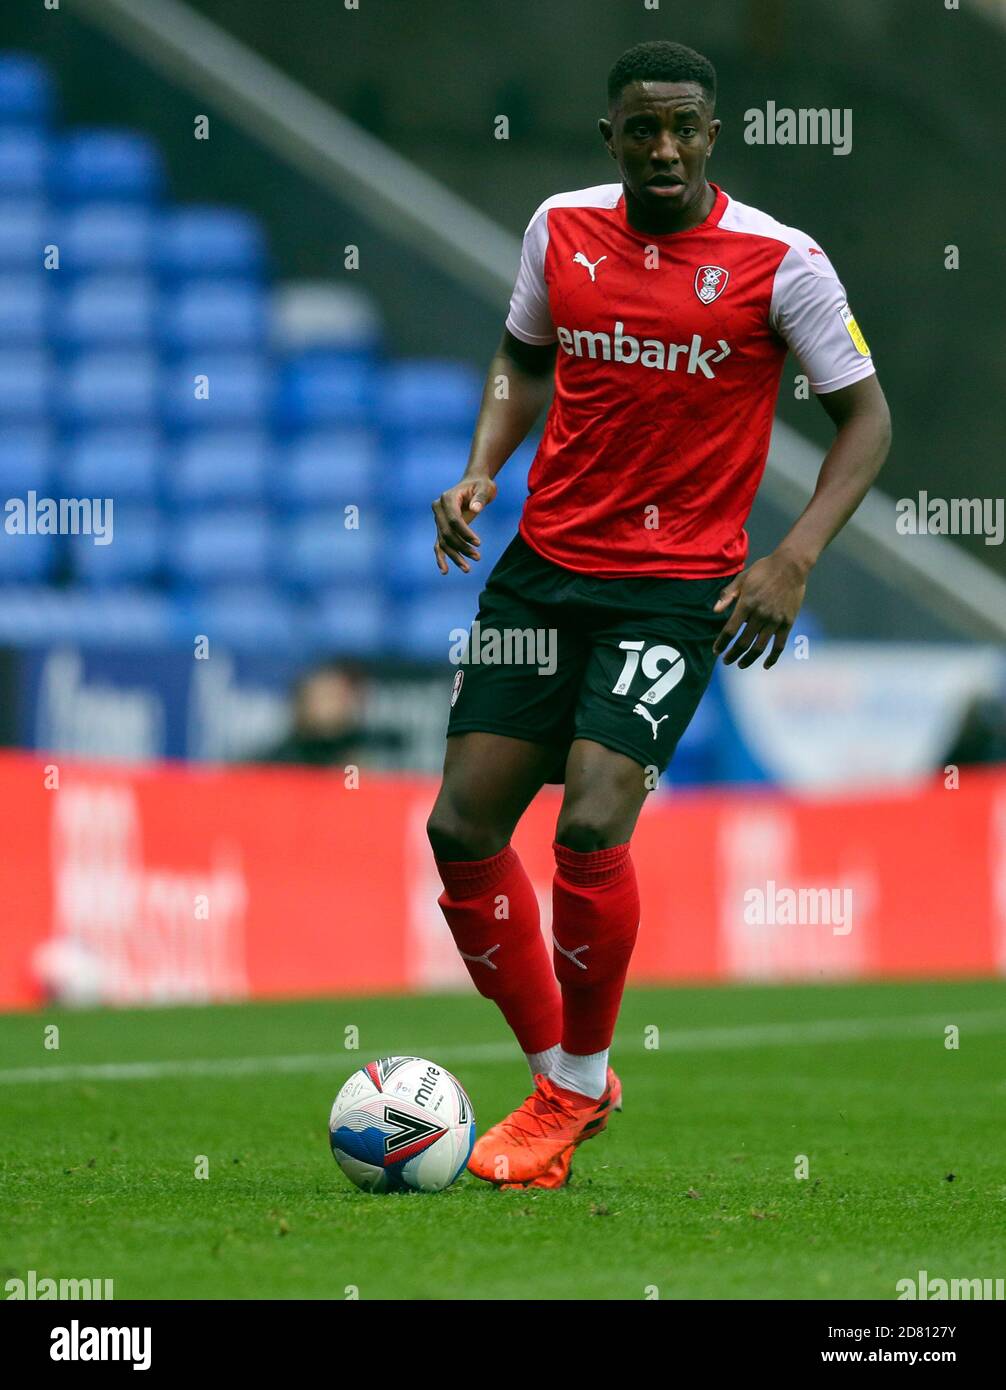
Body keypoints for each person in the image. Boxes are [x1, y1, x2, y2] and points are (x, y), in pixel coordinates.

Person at [427, 40, 891, 1190]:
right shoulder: (558, 229)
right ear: (610, 137)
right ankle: (561, 1076)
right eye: (643, 127)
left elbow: (866, 420)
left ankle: (573, 1086)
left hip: (676, 587)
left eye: (685, 125)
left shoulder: (782, 263)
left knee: (590, 818)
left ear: (714, 133)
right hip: (541, 570)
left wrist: (793, 553)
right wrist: (484, 464)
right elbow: (519, 359)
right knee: (460, 826)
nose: (665, 146)